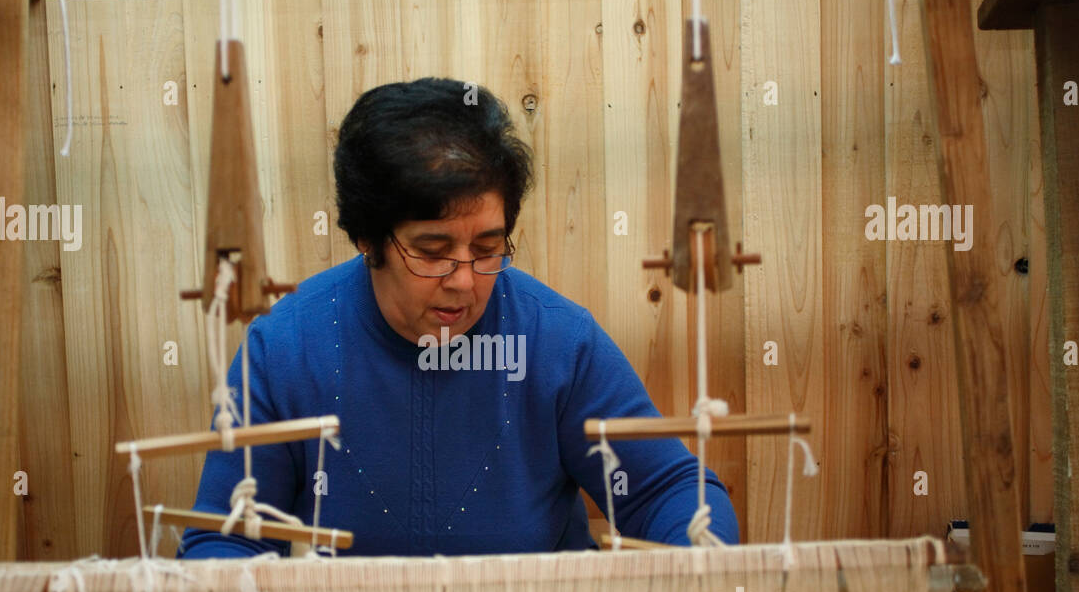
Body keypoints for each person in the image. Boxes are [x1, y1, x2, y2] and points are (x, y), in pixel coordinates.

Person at [178, 77, 738, 558]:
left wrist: (700, 570)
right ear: (369, 238)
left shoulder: (555, 341)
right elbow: (228, 537)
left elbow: (665, 489)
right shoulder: (285, 349)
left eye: (488, 248)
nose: (465, 281)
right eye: (432, 250)